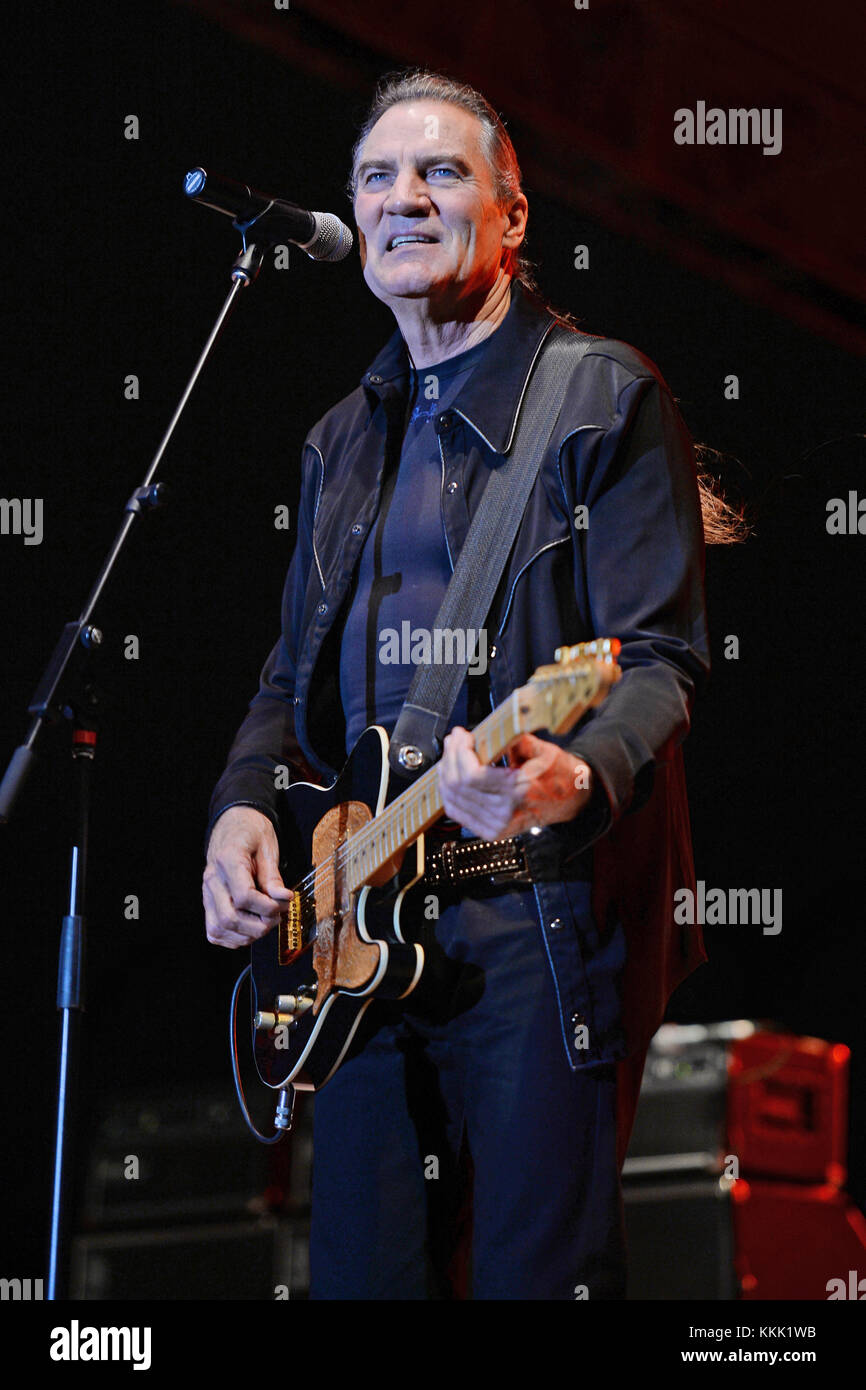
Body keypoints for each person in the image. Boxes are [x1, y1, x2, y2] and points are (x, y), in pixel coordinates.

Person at [202, 69, 711, 1300]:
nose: (403, 198)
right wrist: (239, 806)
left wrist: (573, 772)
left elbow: (656, 659)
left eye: (440, 172)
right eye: (377, 176)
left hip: (537, 917)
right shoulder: (342, 436)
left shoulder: (600, 395)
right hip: (364, 931)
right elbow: (291, 673)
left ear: (511, 215)